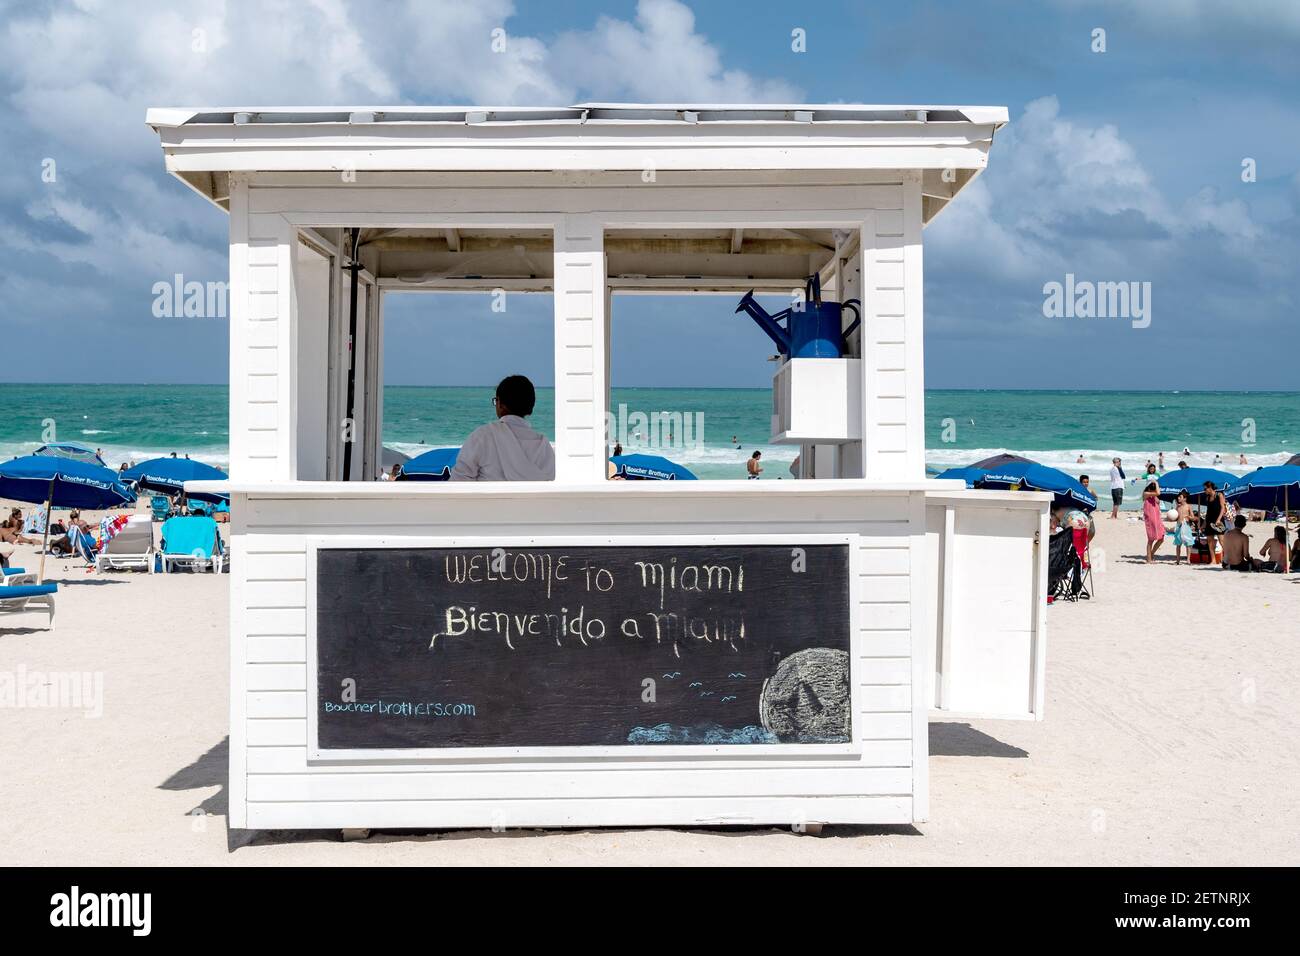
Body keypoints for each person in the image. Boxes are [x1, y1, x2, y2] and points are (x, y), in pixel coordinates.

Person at [450, 375, 555, 482]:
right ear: (531, 406)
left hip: (489, 498)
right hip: (534, 499)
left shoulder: (483, 436)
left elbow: (458, 480)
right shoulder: (544, 446)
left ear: (500, 404)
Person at [1202, 481, 1229, 567]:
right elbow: (1208, 511)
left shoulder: (1219, 495)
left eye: (1205, 488)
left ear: (1210, 488)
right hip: (1209, 520)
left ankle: (1227, 559)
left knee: (1222, 541)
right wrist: (1204, 523)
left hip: (1219, 521)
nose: (1204, 490)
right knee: (1210, 541)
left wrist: (1218, 520)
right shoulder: (1207, 497)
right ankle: (1213, 560)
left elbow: (1222, 508)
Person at [1142, 482, 1165, 563]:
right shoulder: (1145, 494)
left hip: (1157, 518)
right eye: (1152, 489)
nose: (1153, 491)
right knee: (1151, 539)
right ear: (1148, 489)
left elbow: (1158, 497)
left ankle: (1150, 555)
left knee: (1161, 538)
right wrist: (1156, 483)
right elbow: (1158, 493)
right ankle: (1149, 559)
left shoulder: (1154, 496)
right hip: (1150, 519)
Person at [1171, 490, 1195, 564]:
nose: (1178, 498)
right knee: (1178, 543)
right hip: (1179, 526)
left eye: (1180, 497)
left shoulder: (1188, 506)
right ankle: (1178, 560)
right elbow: (1174, 516)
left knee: (1188, 543)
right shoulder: (1178, 507)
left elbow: (1193, 517)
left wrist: (1188, 517)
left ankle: (1188, 559)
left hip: (1186, 526)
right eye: (1178, 497)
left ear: (1185, 498)